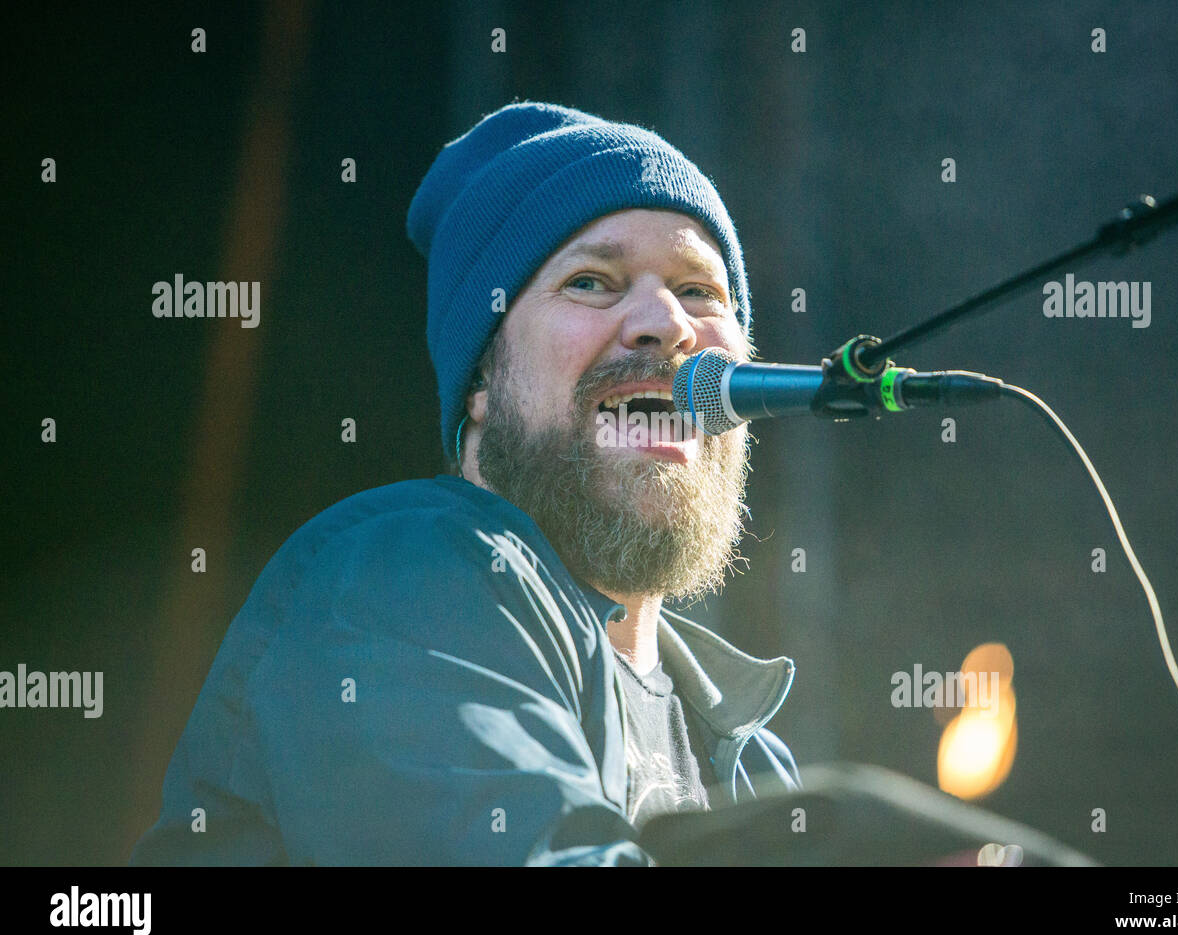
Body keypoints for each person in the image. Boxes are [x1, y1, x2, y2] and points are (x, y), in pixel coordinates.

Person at [130, 101, 799, 866]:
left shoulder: (756, 762)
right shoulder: (402, 576)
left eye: (701, 292)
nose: (664, 321)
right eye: (591, 281)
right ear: (480, 378)